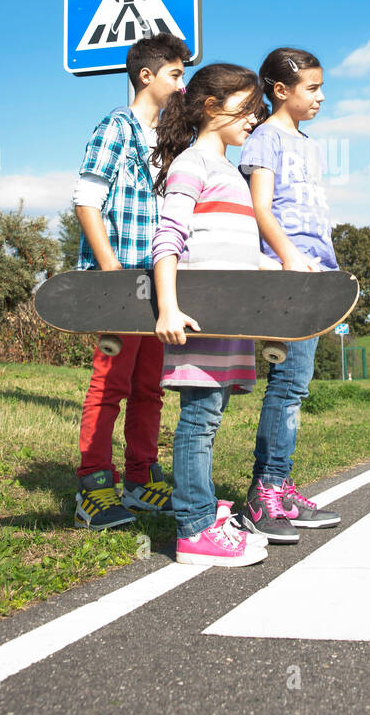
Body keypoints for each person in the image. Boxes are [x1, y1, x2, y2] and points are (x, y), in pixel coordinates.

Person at [152, 63, 271, 567]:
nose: (253, 119)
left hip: (228, 320)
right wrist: (169, 307)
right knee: (197, 421)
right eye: (245, 108)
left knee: (211, 416)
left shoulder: (232, 174)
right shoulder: (191, 165)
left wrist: (283, 265)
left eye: (257, 110)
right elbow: (168, 239)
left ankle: (203, 513)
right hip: (197, 317)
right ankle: (194, 529)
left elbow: (239, 249)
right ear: (209, 107)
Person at [72, 33, 189, 530]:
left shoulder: (164, 136)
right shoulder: (115, 126)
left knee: (149, 387)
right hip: (119, 279)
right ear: (147, 76)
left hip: (156, 281)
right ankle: (94, 485)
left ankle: (141, 480)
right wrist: (111, 272)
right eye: (176, 74)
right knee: (109, 384)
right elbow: (86, 199)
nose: (182, 85)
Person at [237, 47, 342, 539]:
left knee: (297, 384)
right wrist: (288, 257)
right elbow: (260, 208)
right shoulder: (264, 138)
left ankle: (277, 482)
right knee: (287, 383)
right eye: (312, 88)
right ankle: (264, 494)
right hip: (287, 272)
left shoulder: (310, 144)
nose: (321, 96)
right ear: (281, 91)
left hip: (316, 271)